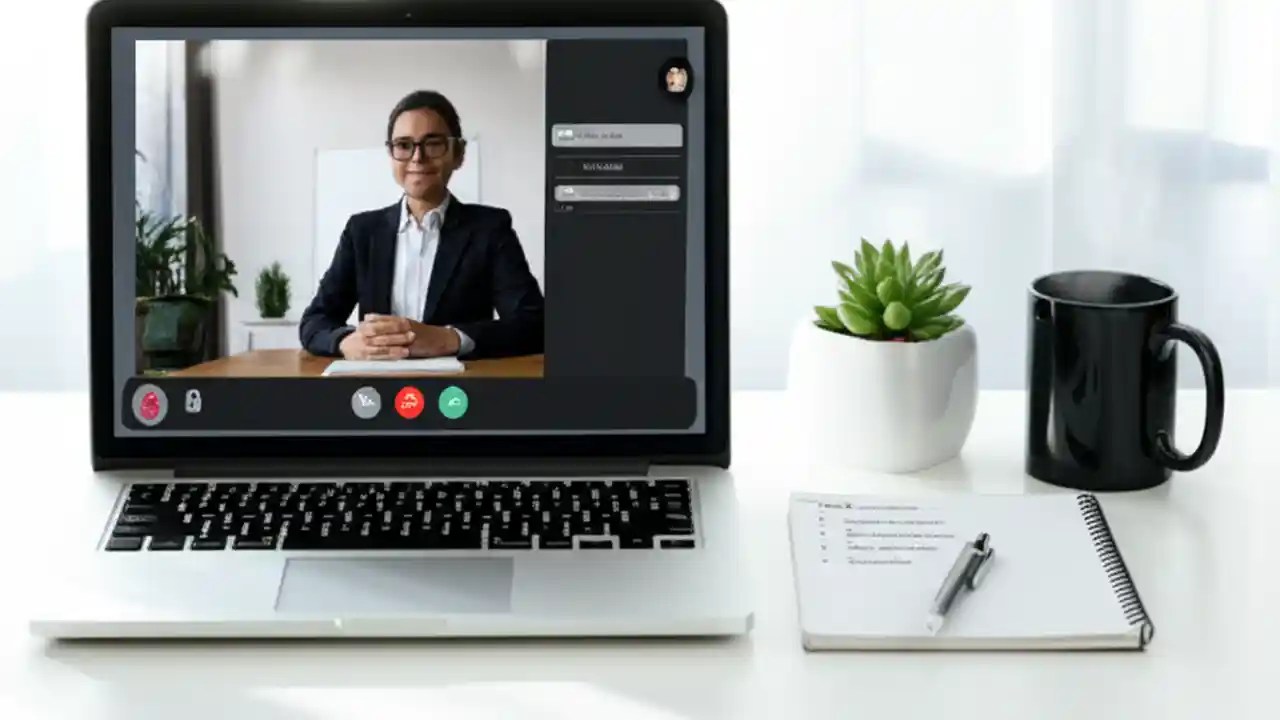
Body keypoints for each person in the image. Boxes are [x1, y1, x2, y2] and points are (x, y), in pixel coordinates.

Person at [300, 90, 544, 361]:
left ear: (459, 153)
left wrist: (448, 338)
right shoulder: (362, 231)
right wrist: (345, 341)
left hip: (459, 390)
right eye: (403, 145)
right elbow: (315, 321)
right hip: (377, 384)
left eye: (433, 143)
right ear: (391, 154)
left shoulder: (490, 229)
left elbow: (534, 324)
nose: (417, 158)